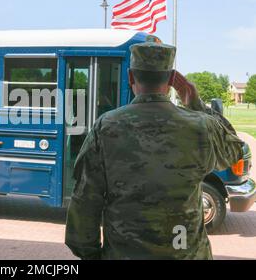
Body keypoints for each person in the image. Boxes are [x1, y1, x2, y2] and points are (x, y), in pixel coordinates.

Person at [65, 42, 244, 260]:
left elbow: (85, 199)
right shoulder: (201, 126)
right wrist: (195, 103)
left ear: (131, 77)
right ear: (170, 81)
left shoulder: (107, 126)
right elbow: (235, 152)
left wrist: (91, 254)